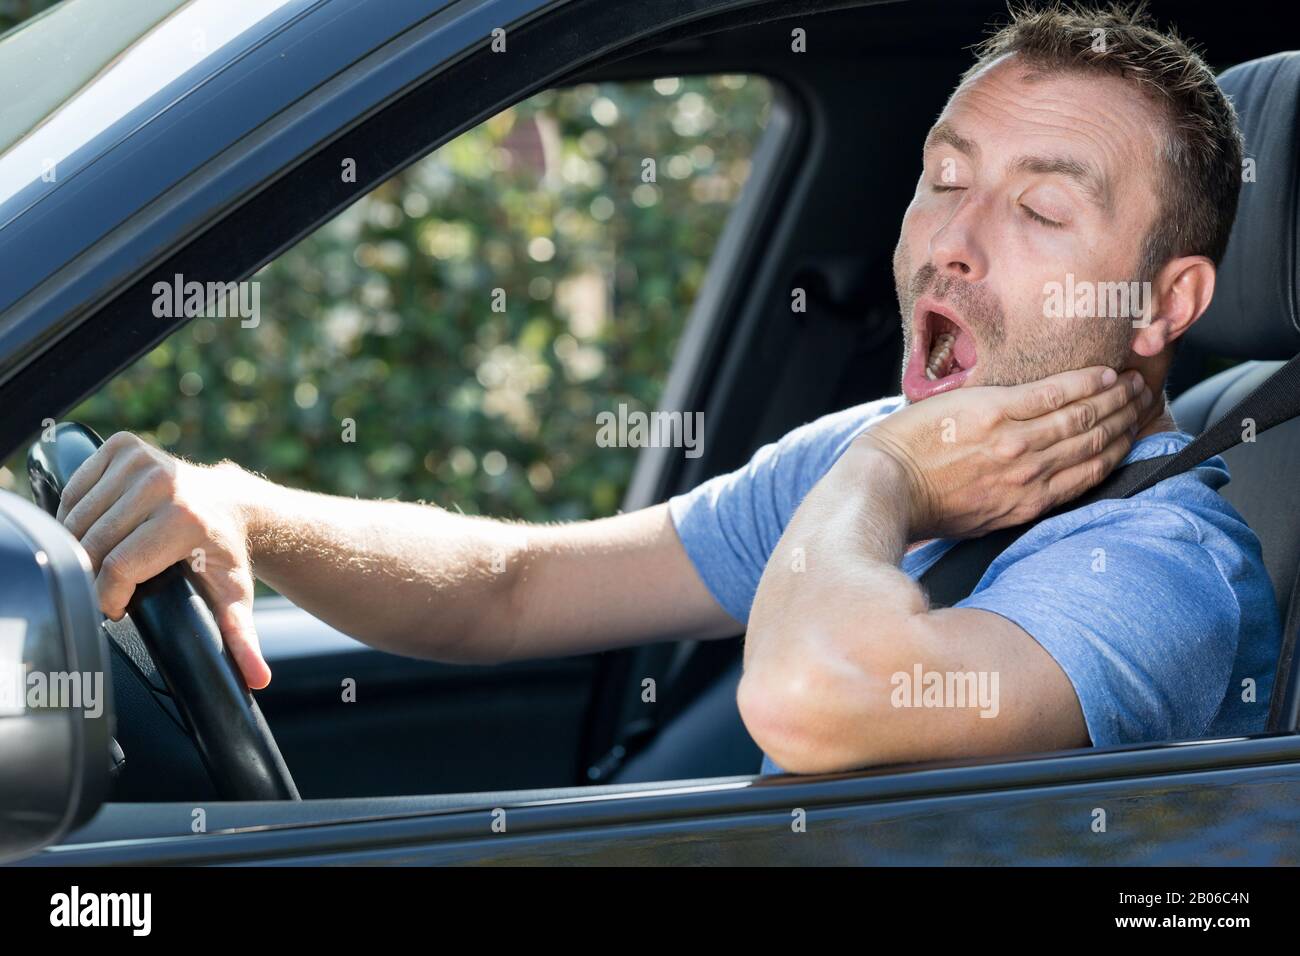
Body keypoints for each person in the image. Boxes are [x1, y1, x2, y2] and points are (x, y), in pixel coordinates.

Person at [56, 3, 1279, 776]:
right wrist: (247, 513)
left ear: (1165, 305)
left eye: (1039, 207)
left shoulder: (1162, 567)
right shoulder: (878, 455)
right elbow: (512, 589)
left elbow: (814, 702)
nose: (948, 240)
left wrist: (887, 478)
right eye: (943, 176)